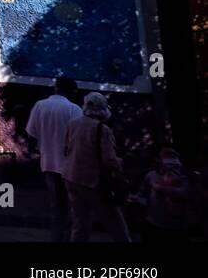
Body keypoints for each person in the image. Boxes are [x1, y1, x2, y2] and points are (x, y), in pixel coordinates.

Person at [63, 91, 131, 242]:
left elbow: (67, 148)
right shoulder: (102, 129)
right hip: (92, 181)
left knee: (80, 221)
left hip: (71, 177)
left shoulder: (72, 123)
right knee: (116, 222)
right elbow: (109, 159)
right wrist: (120, 166)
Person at [26, 76, 82, 241]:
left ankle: (56, 237)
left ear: (56, 89)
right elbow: (78, 139)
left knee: (56, 205)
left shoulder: (39, 106)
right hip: (70, 165)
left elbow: (32, 133)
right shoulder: (74, 109)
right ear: (70, 91)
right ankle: (69, 237)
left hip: (48, 163)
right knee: (73, 205)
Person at [134, 148, 194, 241]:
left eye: (172, 158)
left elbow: (185, 193)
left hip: (177, 226)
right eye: (166, 158)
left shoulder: (184, 177)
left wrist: (160, 188)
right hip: (153, 223)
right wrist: (138, 200)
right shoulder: (151, 175)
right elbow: (142, 194)